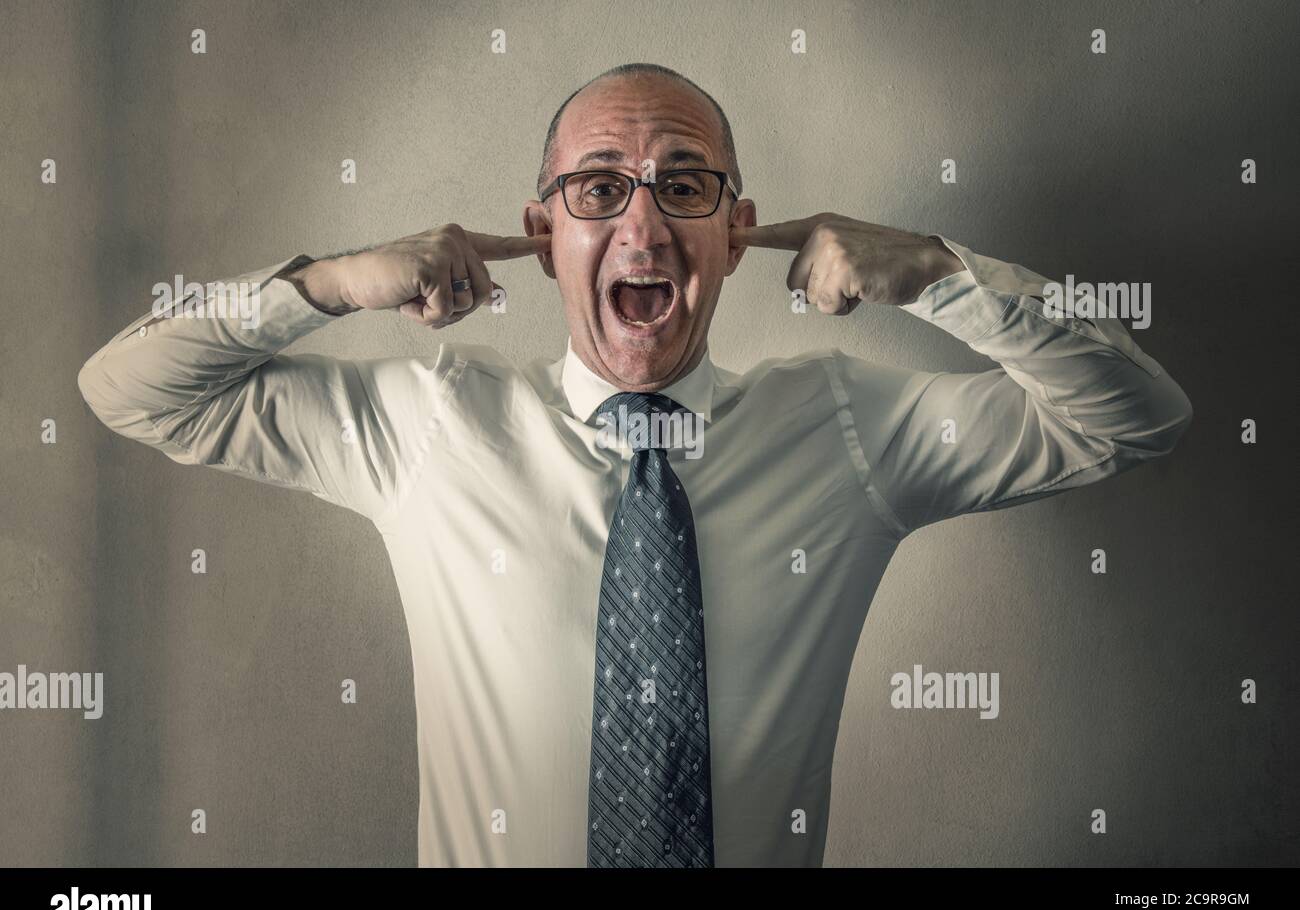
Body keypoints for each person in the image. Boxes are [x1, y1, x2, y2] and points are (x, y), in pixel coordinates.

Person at [77, 63, 1193, 867]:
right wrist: (327, 284)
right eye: (599, 189)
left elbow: (1132, 418)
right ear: (543, 229)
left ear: (736, 230)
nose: (643, 230)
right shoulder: (426, 425)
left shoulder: (849, 432)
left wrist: (941, 271)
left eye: (685, 187)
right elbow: (124, 390)